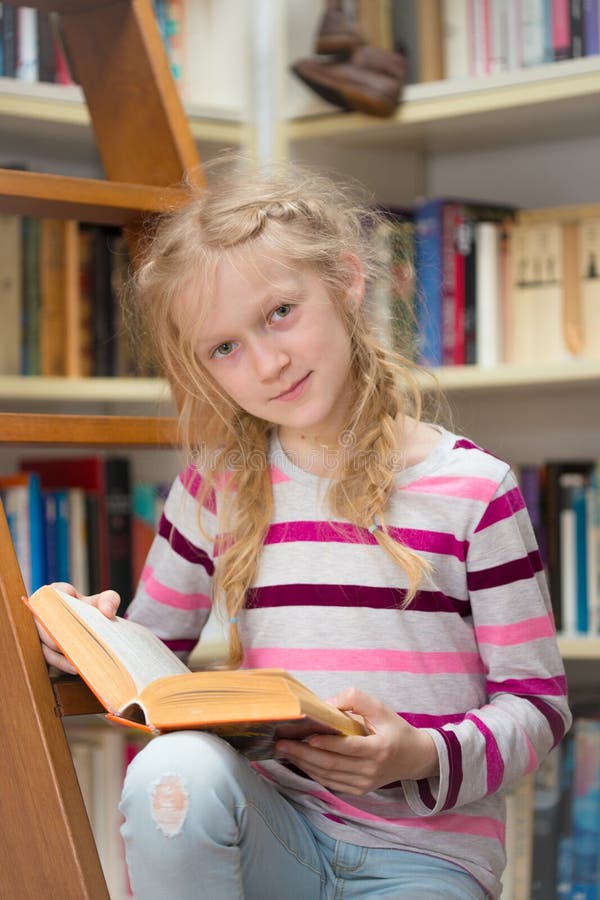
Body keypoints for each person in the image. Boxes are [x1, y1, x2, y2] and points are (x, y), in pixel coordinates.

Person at [40, 160, 571, 900]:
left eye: (280, 313)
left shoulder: (474, 490)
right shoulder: (212, 488)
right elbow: (153, 669)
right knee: (171, 773)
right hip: (274, 833)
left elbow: (539, 706)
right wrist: (86, 642)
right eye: (224, 348)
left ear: (348, 281)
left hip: (425, 858)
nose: (269, 362)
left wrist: (419, 753)